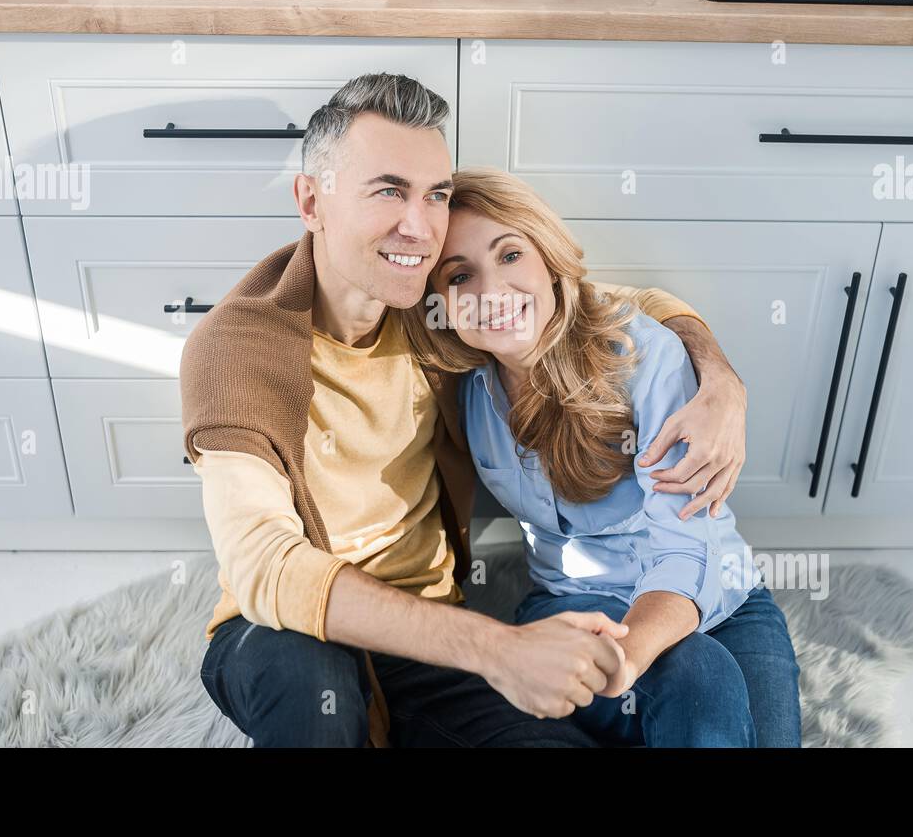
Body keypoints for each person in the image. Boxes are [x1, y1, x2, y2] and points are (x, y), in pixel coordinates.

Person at [181, 73, 754, 747]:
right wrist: (494, 648)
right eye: (388, 190)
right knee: (315, 694)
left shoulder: (436, 313)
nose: (418, 226)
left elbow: (583, 297)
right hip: (283, 635)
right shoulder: (236, 348)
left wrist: (718, 378)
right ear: (312, 201)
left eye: (435, 195)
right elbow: (265, 568)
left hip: (430, 641)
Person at [397, 166, 802, 747]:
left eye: (510, 255)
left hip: (723, 595)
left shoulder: (641, 355)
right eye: (461, 275)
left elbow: (687, 550)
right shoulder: (459, 385)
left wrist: (624, 658)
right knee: (696, 675)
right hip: (570, 601)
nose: (491, 293)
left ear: (547, 256)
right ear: (438, 301)